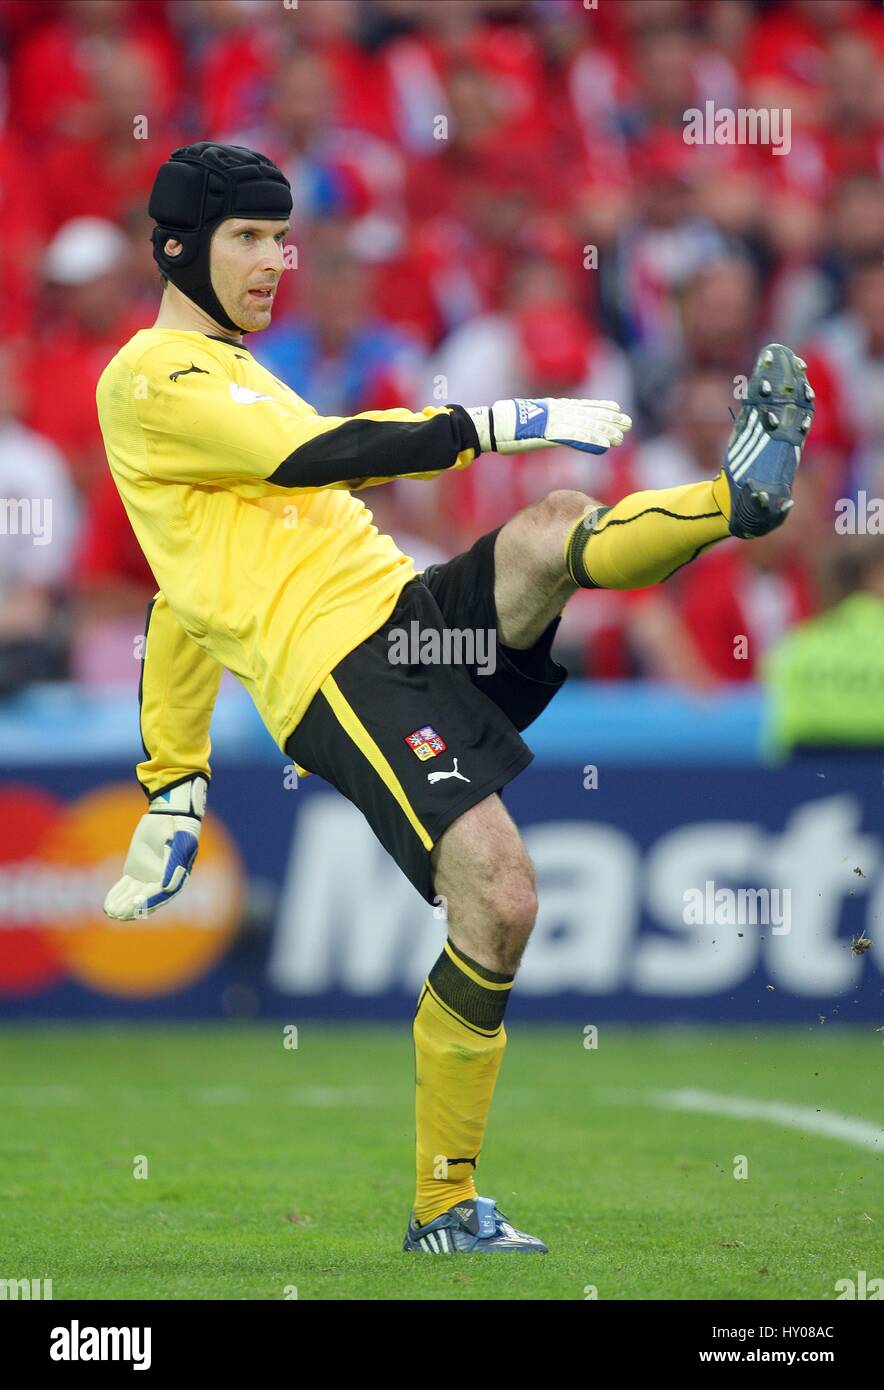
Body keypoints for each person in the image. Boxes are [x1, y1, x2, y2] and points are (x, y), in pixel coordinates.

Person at [96, 142, 815, 1255]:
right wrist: (495, 422)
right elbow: (316, 457)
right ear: (175, 246)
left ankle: (738, 497)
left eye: (279, 238)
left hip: (406, 615)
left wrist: (175, 787)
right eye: (245, 237)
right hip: (340, 668)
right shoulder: (150, 375)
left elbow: (180, 597)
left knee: (551, 522)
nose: (271, 261)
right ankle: (444, 1208)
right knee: (502, 897)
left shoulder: (238, 369)